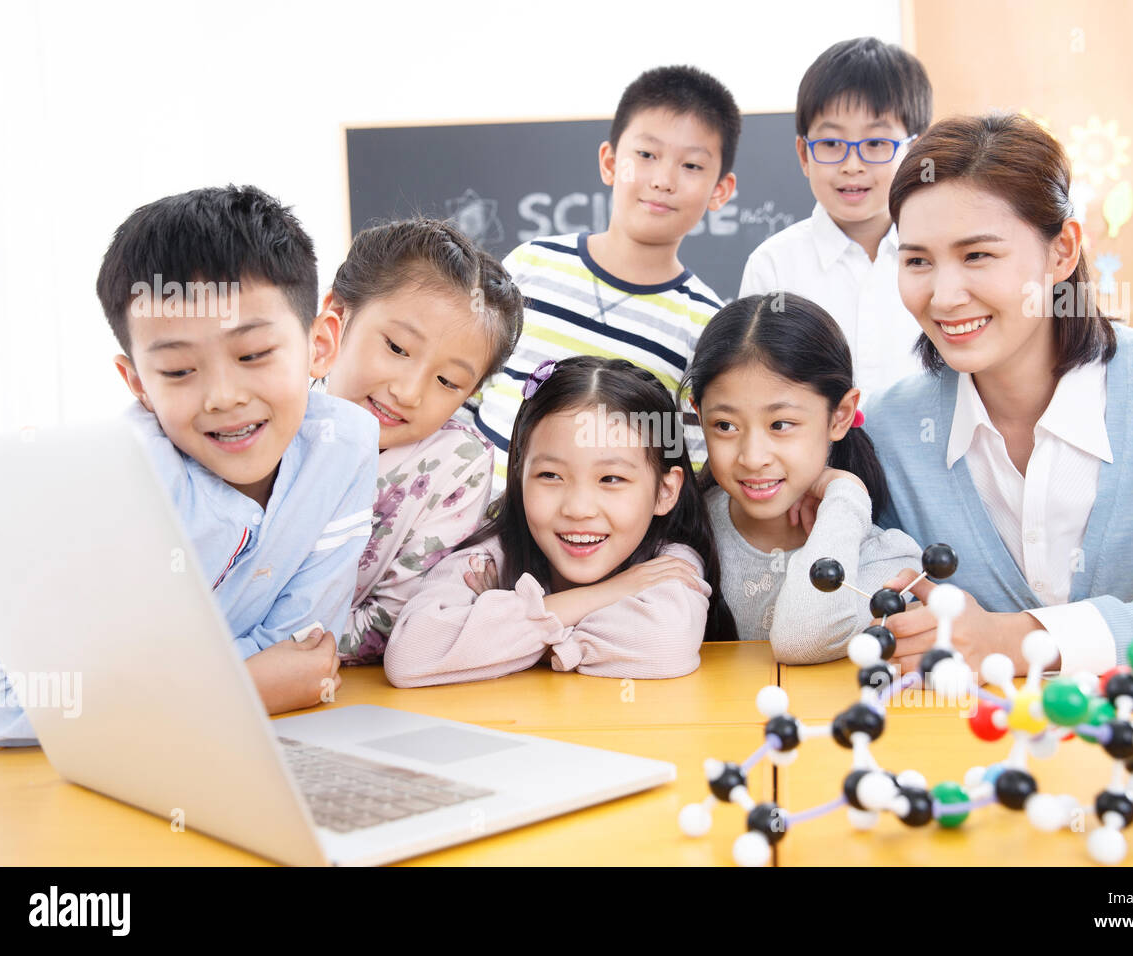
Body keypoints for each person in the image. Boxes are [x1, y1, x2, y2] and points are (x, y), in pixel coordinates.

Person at [867, 112, 1133, 676]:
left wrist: (1021, 640)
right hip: (976, 757)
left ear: (1061, 252)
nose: (943, 296)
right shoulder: (889, 430)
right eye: (917, 260)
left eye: (977, 255)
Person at [0, 185, 380, 747]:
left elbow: (304, 648)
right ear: (139, 383)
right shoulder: (116, 484)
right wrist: (242, 687)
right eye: (176, 372)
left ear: (320, 343)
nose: (222, 397)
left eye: (253, 355)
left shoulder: (345, 444)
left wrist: (151, 687)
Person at [460, 64, 741, 496]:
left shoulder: (708, 328)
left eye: (691, 165)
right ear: (610, 162)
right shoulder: (530, 266)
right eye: (646, 155)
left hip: (592, 548)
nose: (663, 180)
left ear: (720, 190)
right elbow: (462, 392)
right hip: (459, 534)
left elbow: (692, 468)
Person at [384, 356, 735, 687]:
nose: (578, 509)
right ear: (519, 475)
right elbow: (411, 655)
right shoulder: (492, 555)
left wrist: (491, 639)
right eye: (550, 475)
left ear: (665, 491)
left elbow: (664, 645)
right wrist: (605, 594)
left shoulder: (667, 563)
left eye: (611, 479)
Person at [318, 219, 524, 663]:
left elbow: (392, 620)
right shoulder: (266, 416)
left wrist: (282, 652)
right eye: (396, 348)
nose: (408, 392)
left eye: (448, 381)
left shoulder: (457, 465)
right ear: (336, 318)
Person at [682, 292, 922, 664]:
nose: (753, 457)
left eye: (781, 424)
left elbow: (802, 639)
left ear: (841, 415)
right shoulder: (683, 532)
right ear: (699, 416)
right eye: (725, 425)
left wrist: (846, 492)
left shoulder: (887, 562)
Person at [739, 37, 931, 401]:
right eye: (830, 144)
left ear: (915, 150)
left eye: (876, 144)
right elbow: (757, 390)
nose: (851, 165)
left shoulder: (942, 260)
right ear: (803, 154)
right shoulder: (774, 266)